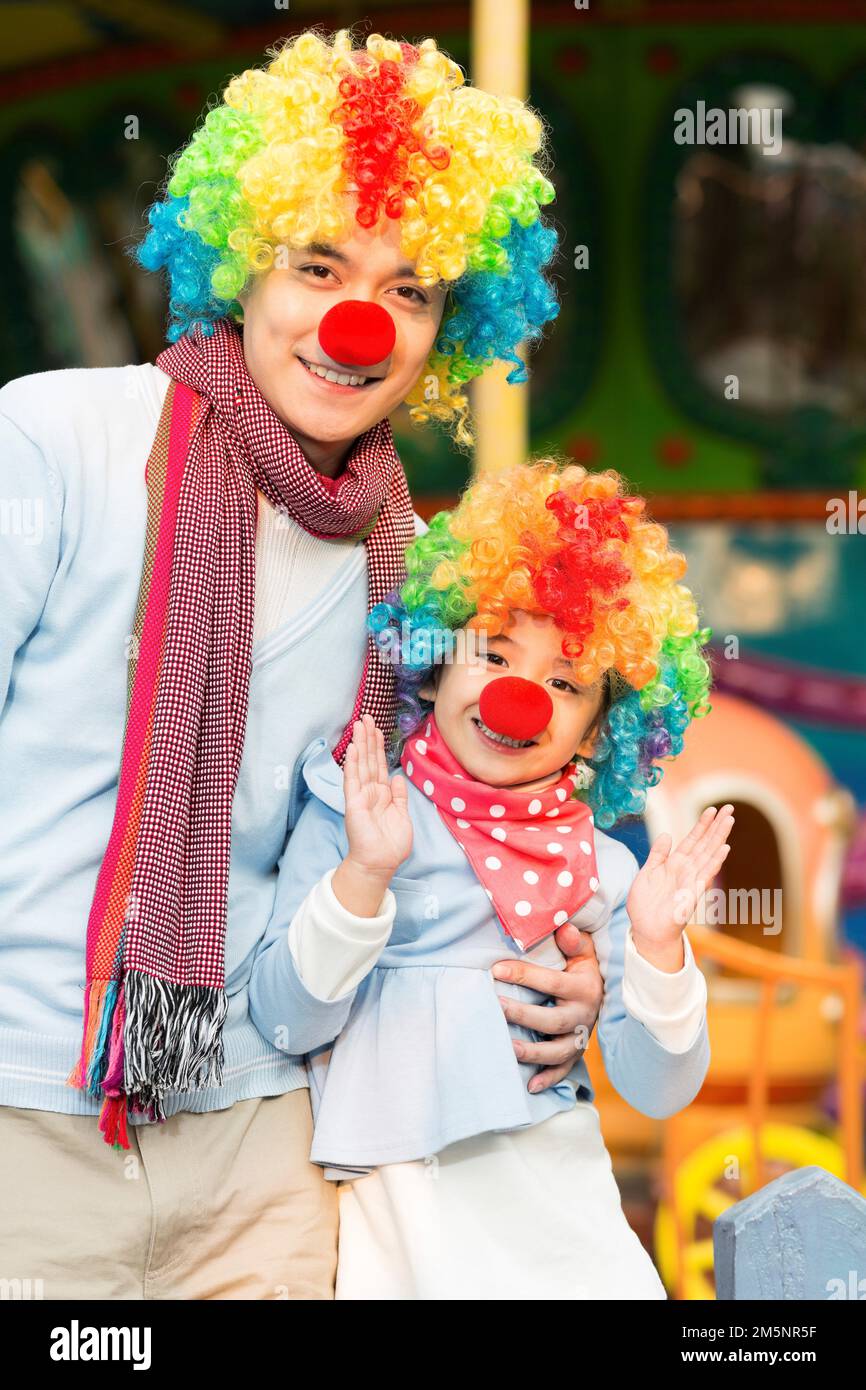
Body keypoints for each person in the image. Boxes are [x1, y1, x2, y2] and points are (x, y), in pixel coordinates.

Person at [0, 29, 605, 1300]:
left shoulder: (416, 570)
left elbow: (451, 831)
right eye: (317, 265)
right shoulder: (58, 441)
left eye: (410, 287)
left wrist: (565, 953)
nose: (355, 322)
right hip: (23, 1120)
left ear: (452, 320)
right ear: (237, 264)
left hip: (264, 1141)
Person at [250, 458, 731, 1299]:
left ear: (594, 733)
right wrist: (366, 875)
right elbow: (285, 1021)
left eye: (564, 682)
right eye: (494, 653)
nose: (523, 699)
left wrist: (657, 947)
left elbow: (658, 1091)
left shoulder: (603, 870)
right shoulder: (357, 810)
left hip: (562, 1227)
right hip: (405, 1221)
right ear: (434, 662)